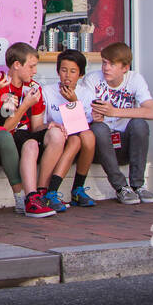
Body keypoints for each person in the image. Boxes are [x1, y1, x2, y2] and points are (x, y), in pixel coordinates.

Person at [86, 42, 153, 205]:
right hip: (101, 147)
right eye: (104, 62)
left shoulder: (135, 79)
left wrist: (114, 112)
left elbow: (151, 112)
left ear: (125, 68)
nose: (106, 68)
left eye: (112, 64)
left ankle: (138, 186)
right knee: (97, 128)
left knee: (139, 124)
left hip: (126, 145)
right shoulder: (92, 79)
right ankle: (121, 188)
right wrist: (92, 117)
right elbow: (83, 112)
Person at [0, 43, 54, 218]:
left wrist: (50, 126)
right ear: (17, 65)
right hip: (7, 139)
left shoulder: (33, 87)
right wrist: (25, 104)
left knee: (56, 134)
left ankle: (45, 193)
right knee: (31, 144)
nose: (34, 71)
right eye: (31, 66)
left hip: (26, 135)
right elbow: (5, 128)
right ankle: (31, 198)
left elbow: (36, 126)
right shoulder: (2, 85)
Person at [35, 49, 96, 213]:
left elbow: (82, 127)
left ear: (81, 74)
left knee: (87, 136)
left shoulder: (86, 94)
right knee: (74, 140)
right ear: (57, 71)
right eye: (63, 70)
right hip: (54, 137)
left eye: (73, 71)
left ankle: (78, 189)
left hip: (77, 135)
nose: (67, 75)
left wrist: (73, 102)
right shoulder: (47, 91)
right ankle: (51, 192)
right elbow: (40, 124)